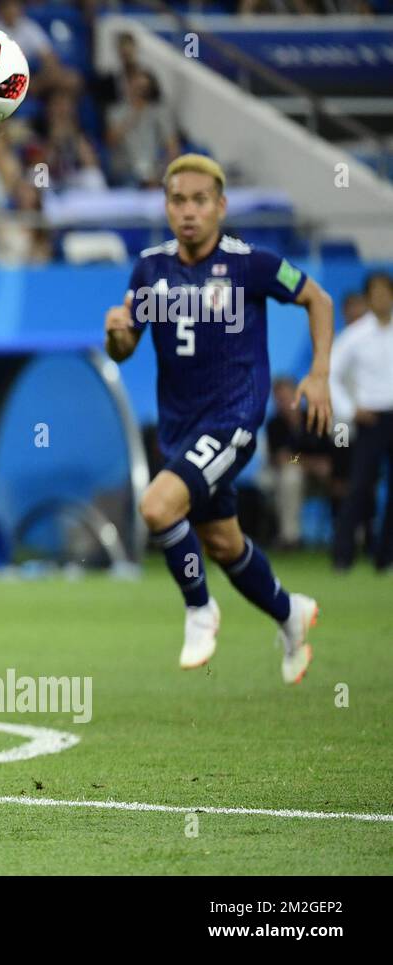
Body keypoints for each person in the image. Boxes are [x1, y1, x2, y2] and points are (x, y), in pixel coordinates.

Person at [103, 154, 333, 685]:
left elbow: (316, 298)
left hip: (234, 419)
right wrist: (116, 333)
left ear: (220, 206)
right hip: (180, 430)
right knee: (225, 544)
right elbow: (124, 348)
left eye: (200, 201)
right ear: (166, 206)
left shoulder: (250, 263)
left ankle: (199, 608)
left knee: (157, 506)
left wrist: (318, 373)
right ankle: (289, 615)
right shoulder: (150, 269)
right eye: (178, 200)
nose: (188, 212)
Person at [330, 270, 393, 571]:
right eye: (376, 293)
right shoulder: (354, 336)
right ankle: (343, 555)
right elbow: (331, 376)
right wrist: (350, 410)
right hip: (368, 419)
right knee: (358, 487)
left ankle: (385, 557)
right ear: (369, 298)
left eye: (386, 292)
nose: (381, 299)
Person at [262, 376, 334, 549]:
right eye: (278, 399)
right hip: (293, 478)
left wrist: (319, 464)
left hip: (323, 478)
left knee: (346, 476)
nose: (282, 402)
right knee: (291, 474)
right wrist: (308, 462)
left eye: (285, 397)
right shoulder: (274, 425)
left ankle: (354, 536)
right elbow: (282, 458)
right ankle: (291, 538)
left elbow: (332, 453)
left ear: (297, 396)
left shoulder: (317, 418)